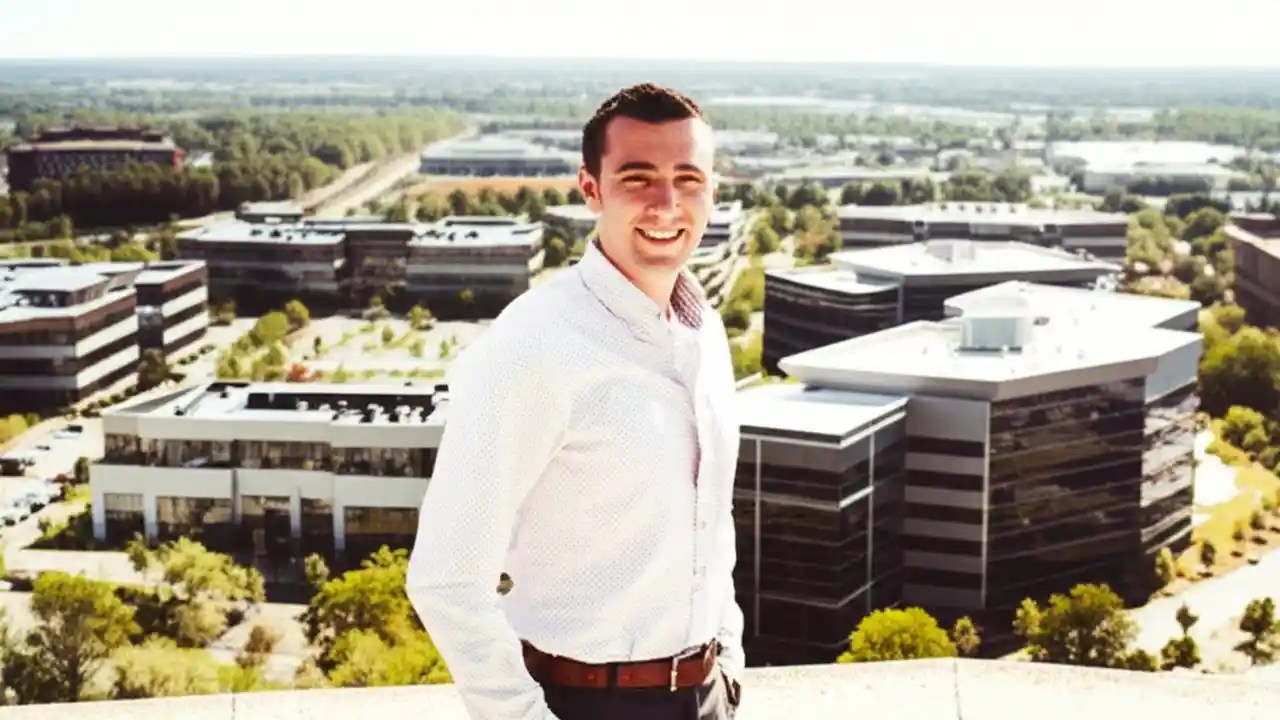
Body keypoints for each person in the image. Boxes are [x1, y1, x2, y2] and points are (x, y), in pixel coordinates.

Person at [405, 83, 744, 720]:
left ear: (713, 191)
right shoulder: (533, 346)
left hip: (705, 697)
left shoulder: (706, 334)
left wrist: (727, 662)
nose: (667, 204)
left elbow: (709, 521)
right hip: (584, 703)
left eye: (688, 178)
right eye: (638, 177)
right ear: (590, 189)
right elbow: (445, 579)